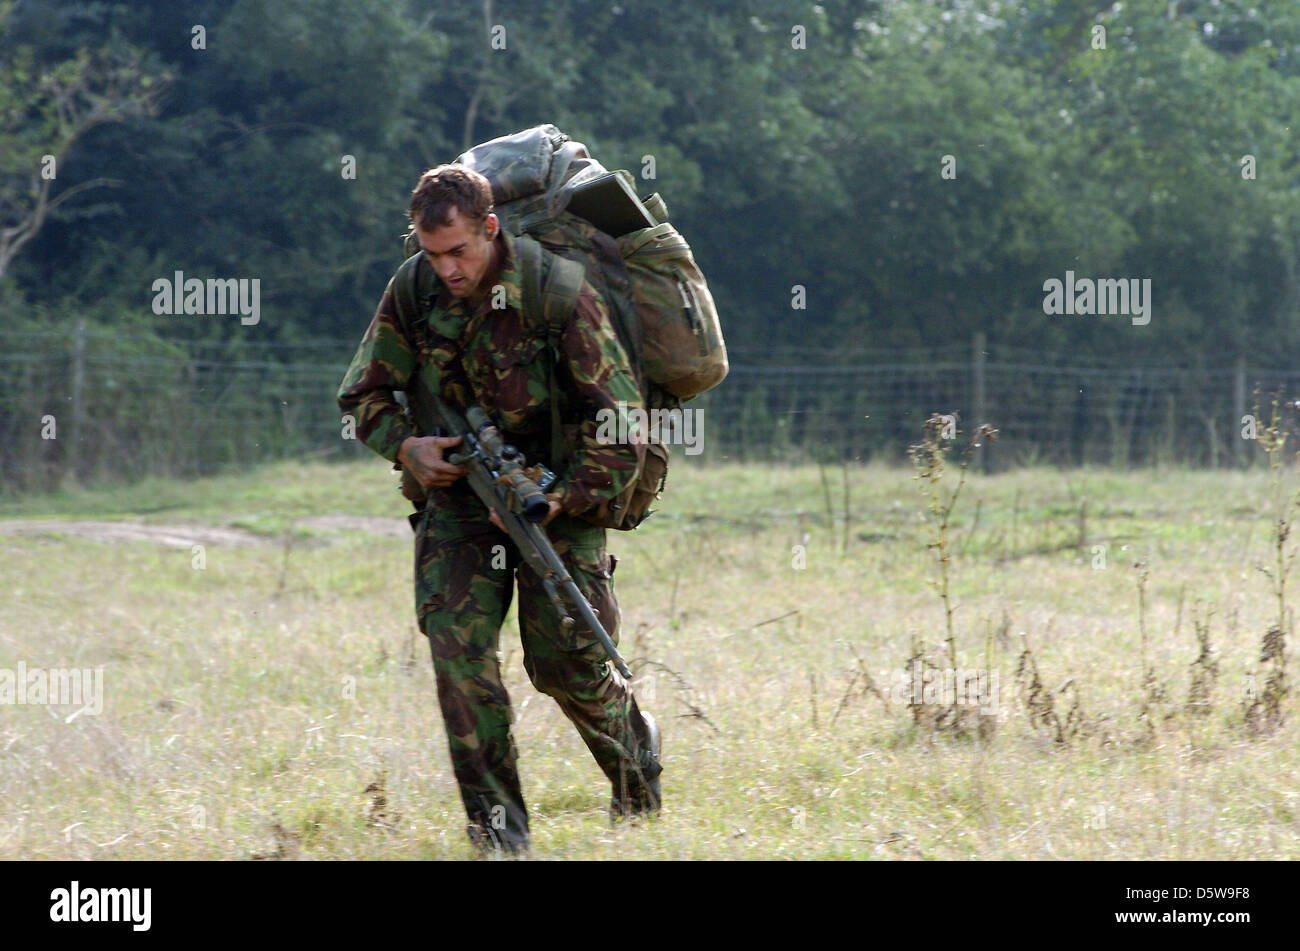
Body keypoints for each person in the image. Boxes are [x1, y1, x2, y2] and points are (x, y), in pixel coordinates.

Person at [337, 164, 661, 856]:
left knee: (565, 662)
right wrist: (409, 448)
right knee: (459, 652)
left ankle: (635, 758)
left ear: (490, 229)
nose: (447, 269)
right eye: (433, 254)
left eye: (459, 251)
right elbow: (363, 397)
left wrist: (561, 496)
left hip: (560, 493)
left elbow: (622, 432)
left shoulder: (558, 293)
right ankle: (498, 834)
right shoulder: (414, 290)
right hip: (458, 498)